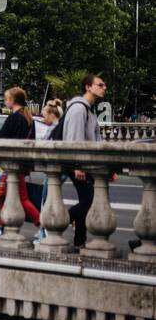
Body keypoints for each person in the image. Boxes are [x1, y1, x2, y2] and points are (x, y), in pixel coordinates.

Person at [0, 87, 41, 240]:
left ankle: (43, 226)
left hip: (11, 164)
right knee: (2, 194)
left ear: (12, 101)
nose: (5, 101)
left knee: (21, 198)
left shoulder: (14, 117)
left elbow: (1, 139)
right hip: (22, 163)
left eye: (6, 98)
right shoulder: (29, 118)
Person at [62, 74, 105, 248]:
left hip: (85, 164)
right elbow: (74, 139)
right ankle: (56, 222)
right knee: (88, 202)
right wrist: (77, 166)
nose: (104, 87)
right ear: (88, 87)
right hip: (77, 165)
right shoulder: (79, 109)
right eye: (100, 84)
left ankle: (79, 241)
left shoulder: (88, 109)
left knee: (86, 201)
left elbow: (95, 139)